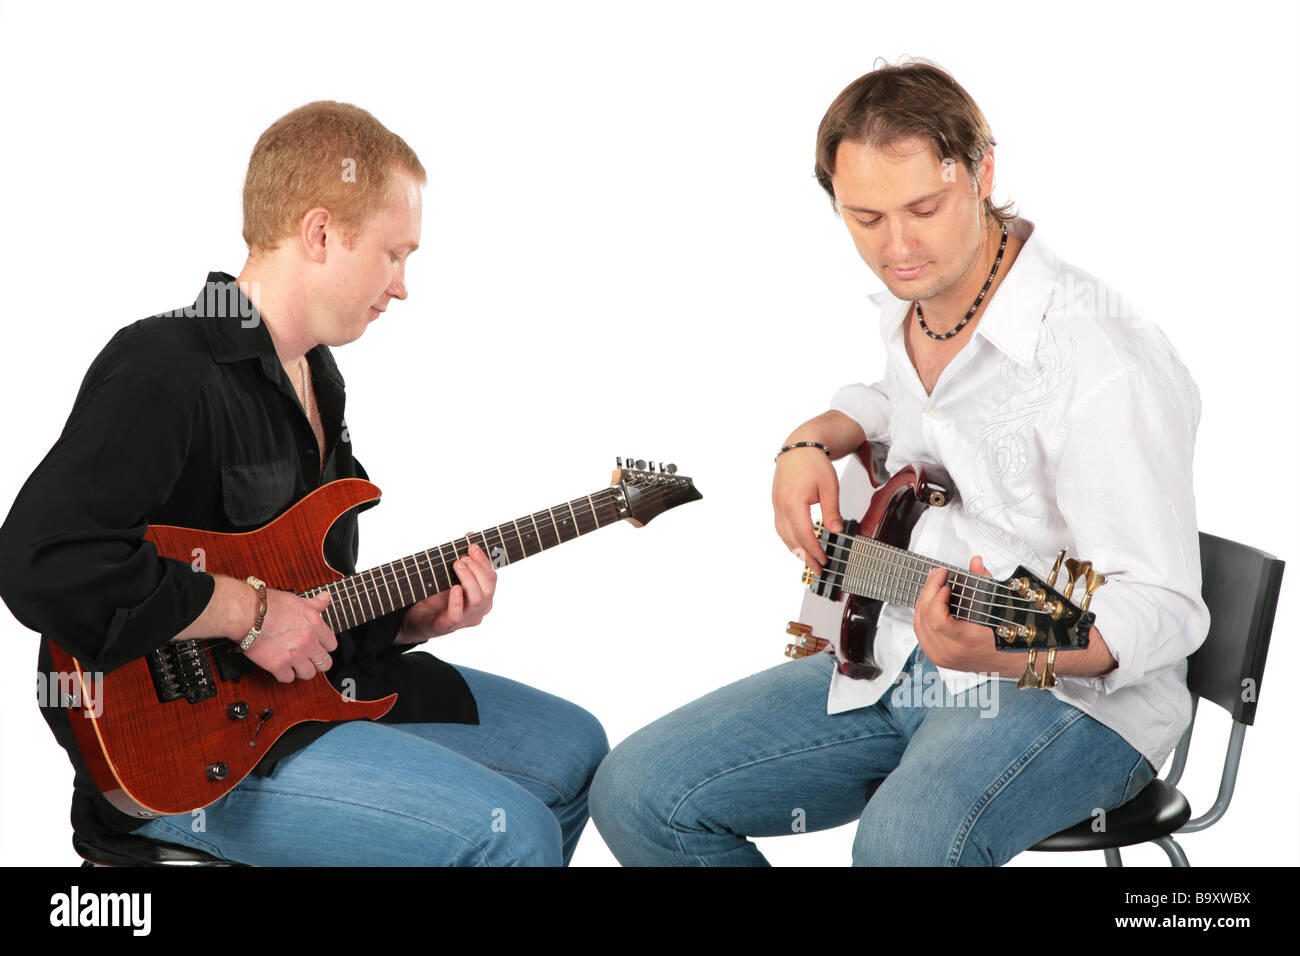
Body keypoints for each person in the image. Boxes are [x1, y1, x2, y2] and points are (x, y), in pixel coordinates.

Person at [588, 59, 1209, 866]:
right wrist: (814, 436)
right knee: (639, 792)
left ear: (982, 172)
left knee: (902, 848)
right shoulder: (922, 308)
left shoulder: (1103, 361)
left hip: (1074, 697)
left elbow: (1162, 606)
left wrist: (1005, 650)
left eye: (924, 207)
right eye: (865, 218)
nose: (899, 246)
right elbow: (912, 405)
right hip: (903, 653)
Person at [0, 101, 607, 866]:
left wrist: (407, 620)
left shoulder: (320, 375)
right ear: (320, 233)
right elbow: (42, 562)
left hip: (312, 695)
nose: (403, 285)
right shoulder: (165, 366)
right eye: (394, 254)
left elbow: (308, 601)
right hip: (187, 757)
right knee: (510, 832)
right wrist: (245, 613)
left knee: (577, 749)